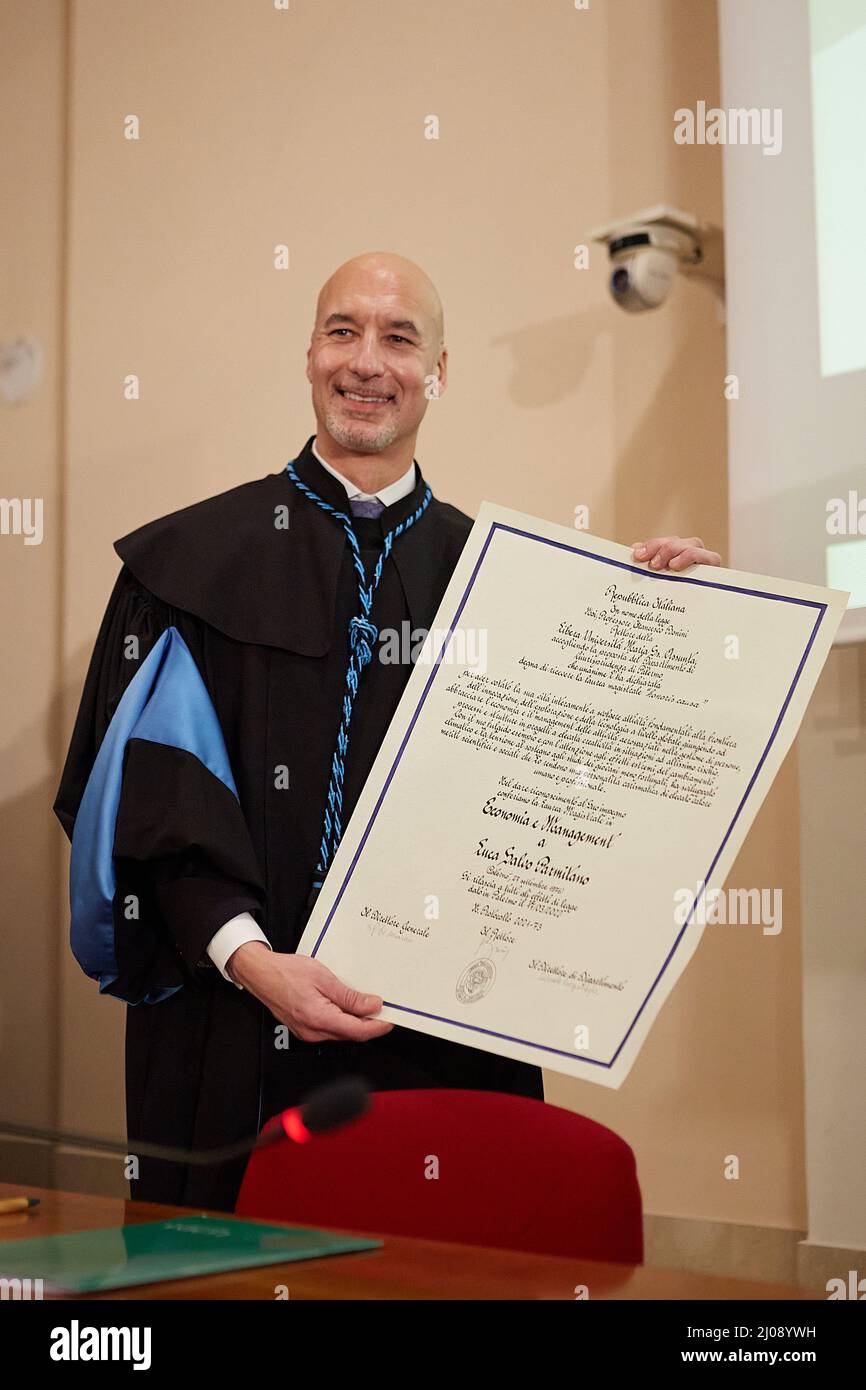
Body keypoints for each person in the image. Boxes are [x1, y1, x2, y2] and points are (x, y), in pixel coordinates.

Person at [54, 250, 722, 1211]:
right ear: (311, 356)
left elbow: (584, 799)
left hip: (452, 1034)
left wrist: (650, 615)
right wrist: (253, 963)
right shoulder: (189, 567)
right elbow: (147, 814)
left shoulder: (512, 581)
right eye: (343, 331)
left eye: (400, 338)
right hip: (237, 1024)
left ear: (439, 374)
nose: (368, 361)